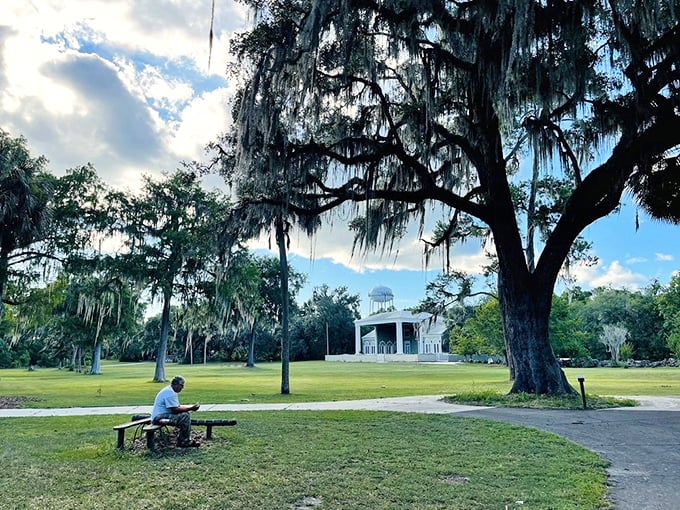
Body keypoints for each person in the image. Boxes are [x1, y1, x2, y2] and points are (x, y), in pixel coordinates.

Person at [151, 375, 201, 447]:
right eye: (181, 385)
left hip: (160, 416)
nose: (182, 388)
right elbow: (175, 410)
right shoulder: (169, 393)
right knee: (185, 416)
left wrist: (190, 407)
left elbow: (178, 406)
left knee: (185, 414)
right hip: (159, 418)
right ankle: (184, 441)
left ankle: (184, 440)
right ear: (176, 384)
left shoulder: (170, 390)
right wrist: (191, 408)